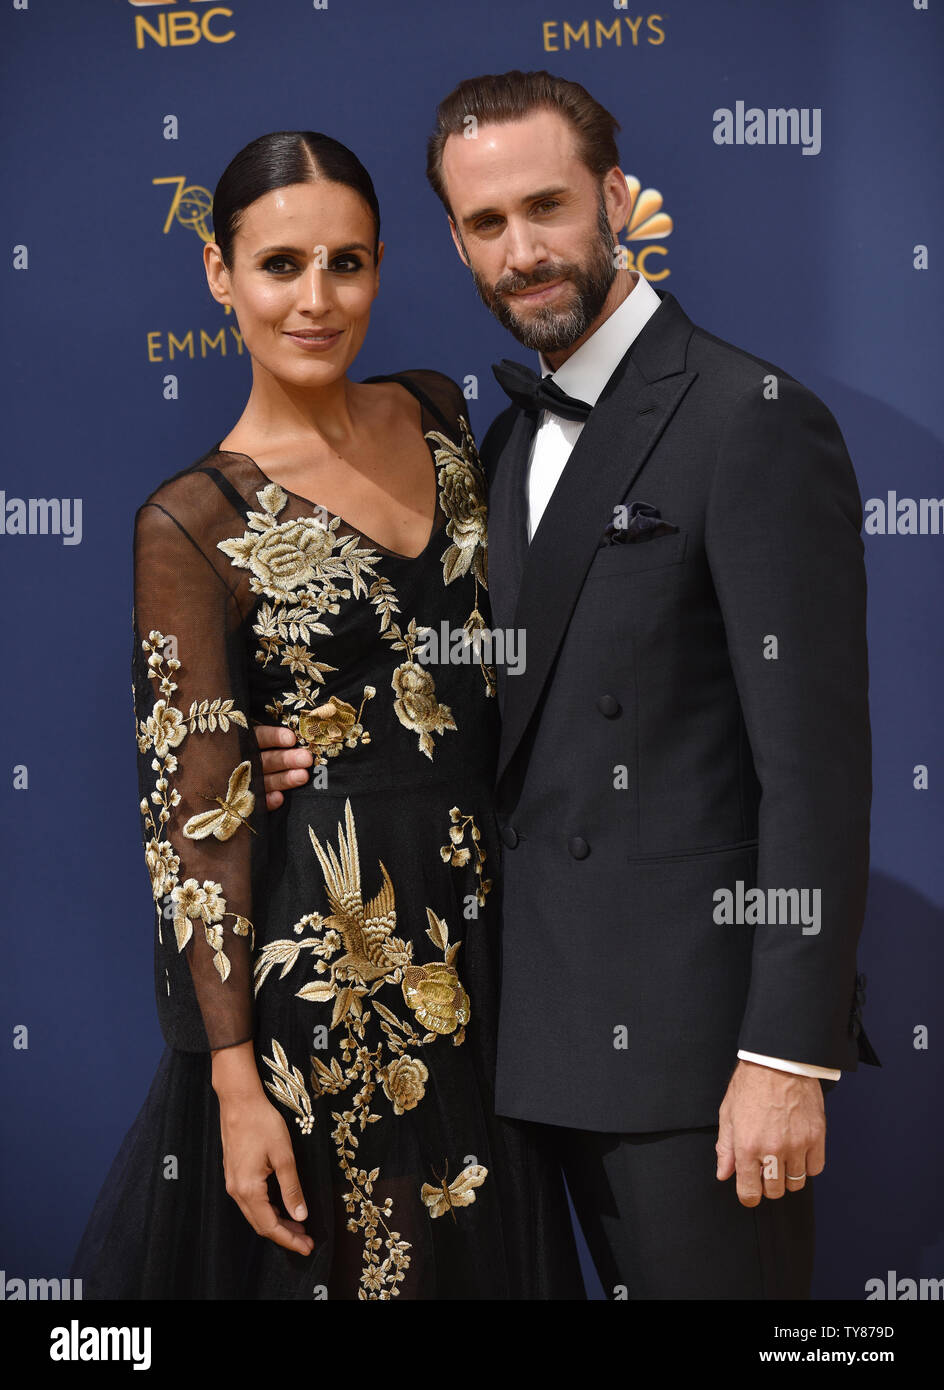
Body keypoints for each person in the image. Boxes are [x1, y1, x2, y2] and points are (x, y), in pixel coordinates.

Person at [258, 73, 879, 1300]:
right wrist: (324, 741)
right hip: (508, 1045)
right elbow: (506, 697)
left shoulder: (748, 419)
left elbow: (813, 771)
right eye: (485, 225)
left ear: (614, 196)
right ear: (452, 238)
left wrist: (783, 1055)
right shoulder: (493, 446)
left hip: (698, 1069)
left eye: (546, 206)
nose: (523, 251)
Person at [70, 129, 583, 1301]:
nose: (316, 299)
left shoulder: (438, 413)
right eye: (280, 265)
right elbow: (194, 837)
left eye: (346, 264)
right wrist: (233, 1085)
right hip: (330, 971)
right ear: (219, 275)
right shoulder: (190, 522)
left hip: (492, 946)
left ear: (382, 268)